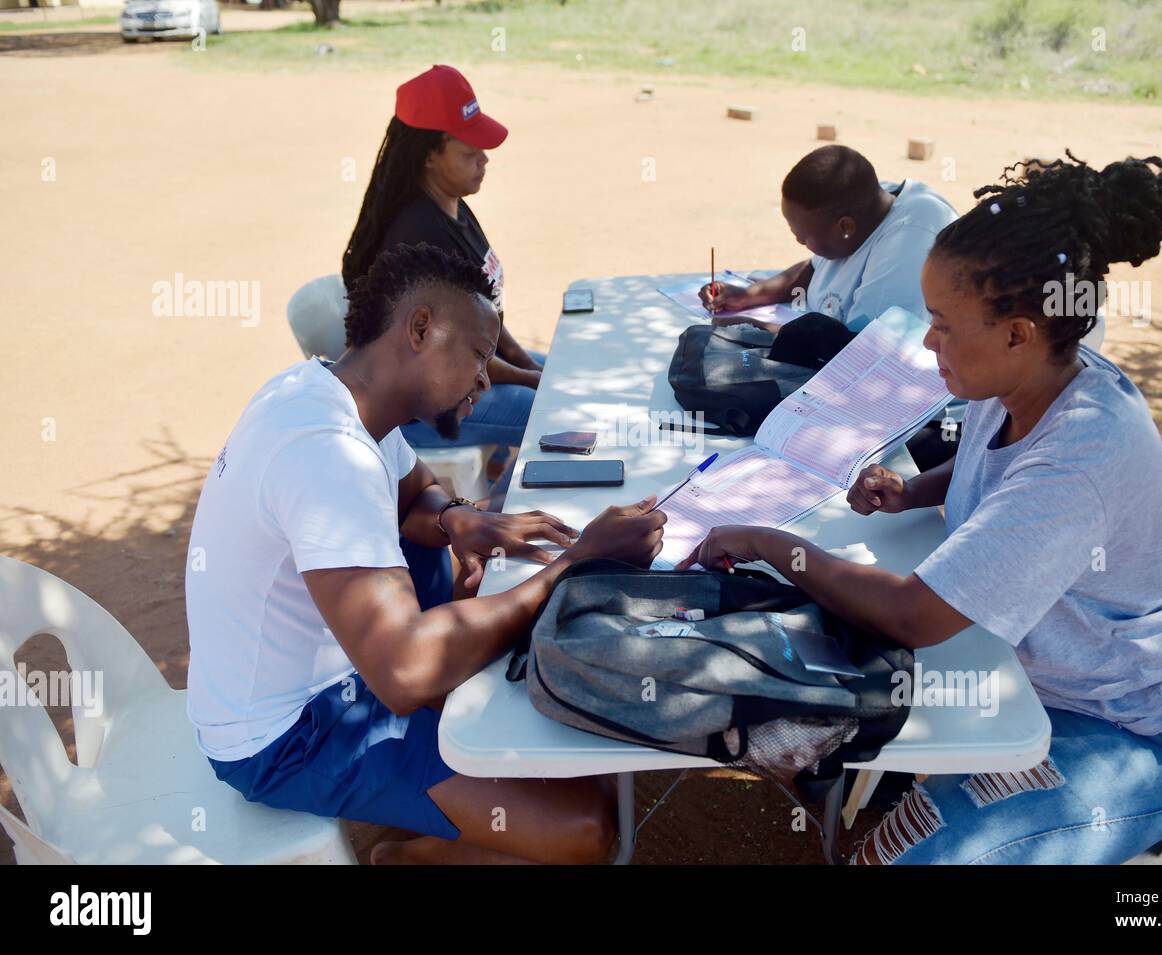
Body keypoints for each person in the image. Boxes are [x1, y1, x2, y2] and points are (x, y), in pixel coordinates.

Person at [679, 153, 1162, 864]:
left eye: (943, 324)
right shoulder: (1027, 382)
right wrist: (914, 490)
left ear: (1017, 332)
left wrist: (770, 542)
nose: (927, 340)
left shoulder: (1081, 453)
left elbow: (918, 614)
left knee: (897, 858)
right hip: (1039, 683)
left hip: (1136, 728)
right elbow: (996, 465)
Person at [186, 243, 667, 864]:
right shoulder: (326, 453)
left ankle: (432, 809)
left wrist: (456, 518)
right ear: (420, 328)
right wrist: (571, 566)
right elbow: (407, 672)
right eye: (477, 353)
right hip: (287, 736)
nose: (485, 378)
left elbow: (415, 493)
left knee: (574, 738)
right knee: (584, 827)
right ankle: (401, 859)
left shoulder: (330, 394)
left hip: (349, 675)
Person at [342, 64, 543, 453]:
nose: (483, 159)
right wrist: (531, 378)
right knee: (557, 411)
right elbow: (455, 354)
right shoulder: (420, 235)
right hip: (428, 405)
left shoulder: (452, 203)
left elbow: (487, 320)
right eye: (469, 152)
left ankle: (505, 460)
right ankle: (513, 504)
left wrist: (527, 364)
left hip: (472, 370)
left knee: (566, 375)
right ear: (429, 156)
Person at [698, 144, 957, 333]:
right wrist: (749, 296)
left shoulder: (910, 240)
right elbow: (813, 269)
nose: (799, 242)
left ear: (845, 226)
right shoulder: (865, 206)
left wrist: (758, 327)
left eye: (804, 237)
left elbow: (859, 350)